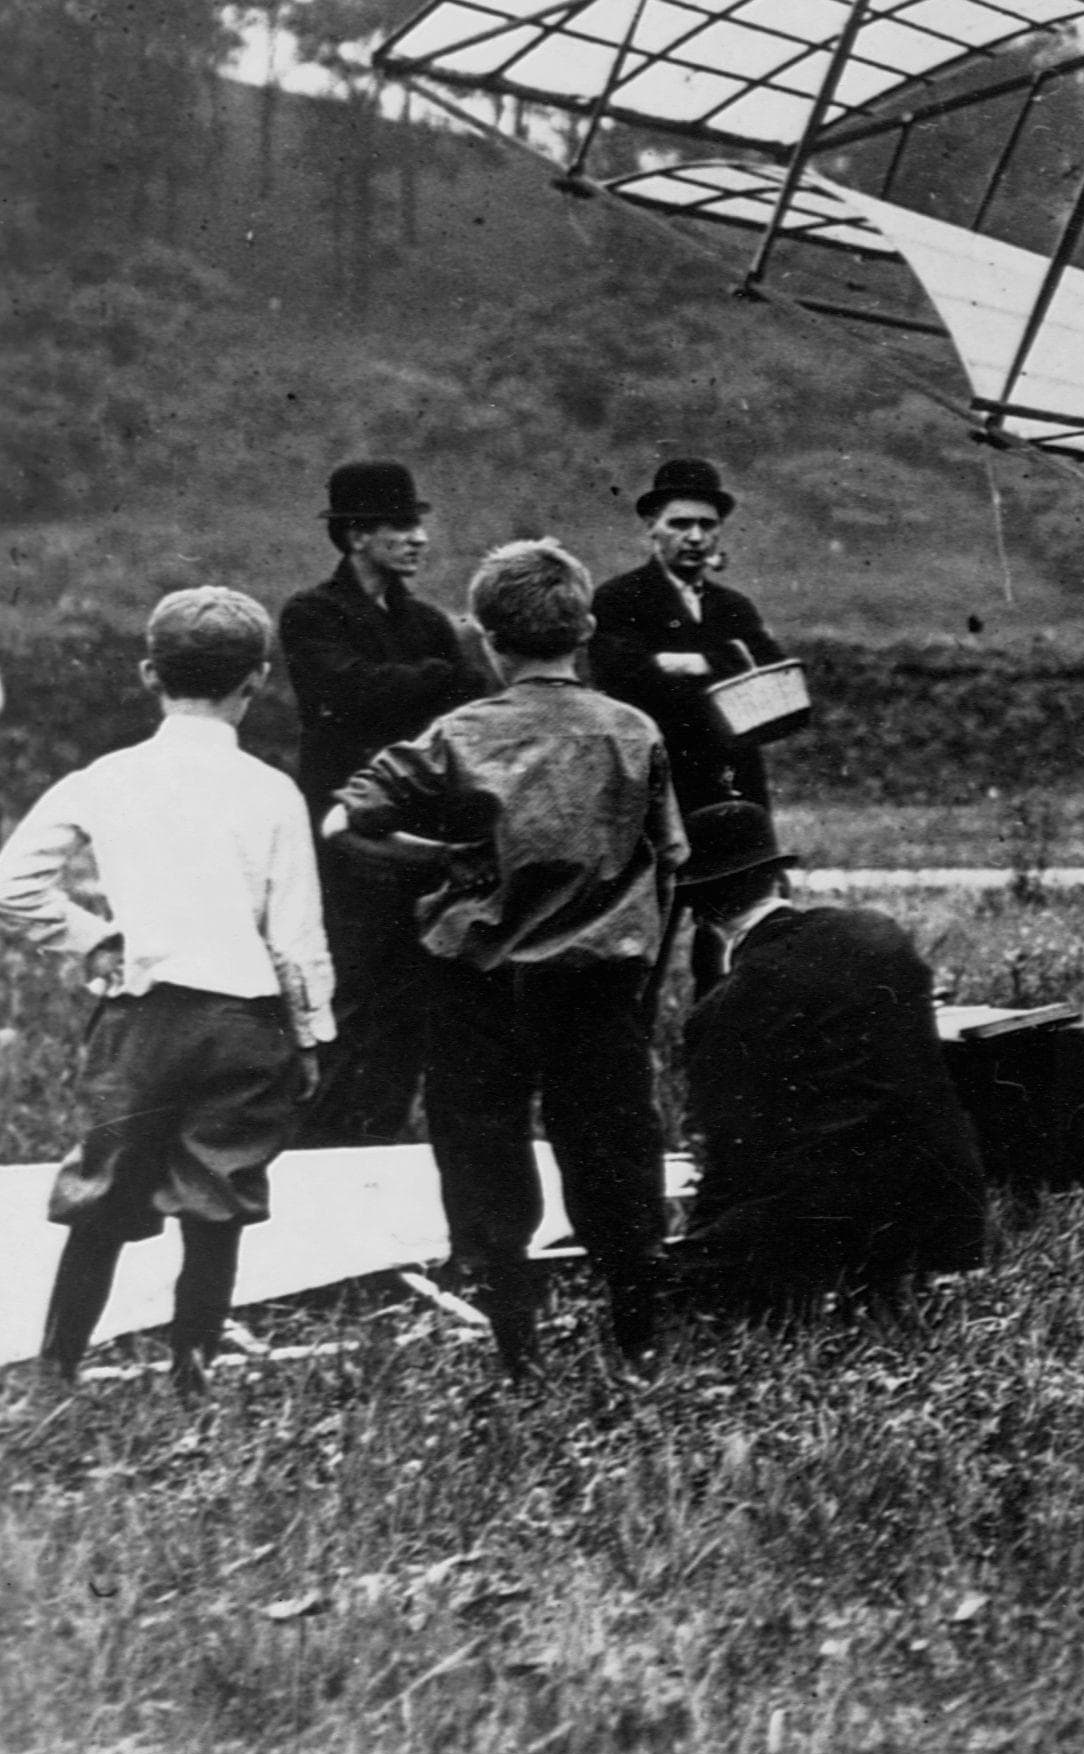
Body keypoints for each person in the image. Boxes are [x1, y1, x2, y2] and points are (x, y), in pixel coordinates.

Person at [332, 540, 686, 1377]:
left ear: (486, 638)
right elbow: (672, 857)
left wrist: (440, 860)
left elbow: (344, 824)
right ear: (586, 628)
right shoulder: (633, 730)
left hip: (476, 983)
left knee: (481, 1152)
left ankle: (515, 1349)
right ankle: (637, 1338)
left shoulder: (459, 733)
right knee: (614, 1150)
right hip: (599, 984)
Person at [1, 590, 332, 1396]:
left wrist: (93, 937)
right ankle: (192, 1372)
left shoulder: (107, 778)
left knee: (103, 1189)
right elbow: (296, 935)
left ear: (150, 673)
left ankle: (56, 1369)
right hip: (244, 1023)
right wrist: (310, 1033)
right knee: (218, 1196)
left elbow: (14, 882)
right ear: (256, 679)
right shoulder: (272, 792)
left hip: (141, 1018)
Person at [663, 802, 989, 1318]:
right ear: (777, 876)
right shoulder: (876, 934)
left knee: (674, 1288)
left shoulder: (725, 1009)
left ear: (697, 910)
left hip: (829, 1220)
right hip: (943, 1207)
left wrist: (702, 1243)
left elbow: (733, 1160)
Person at [273, 457, 490, 1143]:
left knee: (408, 997)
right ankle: (321, 1144)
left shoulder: (425, 621)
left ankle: (379, 1138)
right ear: (356, 534)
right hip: (345, 835)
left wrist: (414, 682)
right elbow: (346, 690)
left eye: (417, 524)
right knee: (349, 986)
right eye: (399, 525)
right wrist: (434, 678)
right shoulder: (313, 612)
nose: (419, 538)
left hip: (413, 834)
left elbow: (452, 701)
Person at [586, 456, 789, 853]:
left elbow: (776, 677)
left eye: (707, 525)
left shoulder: (734, 607)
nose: (695, 537)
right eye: (679, 524)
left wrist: (687, 664)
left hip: (734, 780)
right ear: (652, 527)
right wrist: (729, 662)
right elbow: (621, 676)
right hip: (653, 781)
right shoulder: (618, 599)